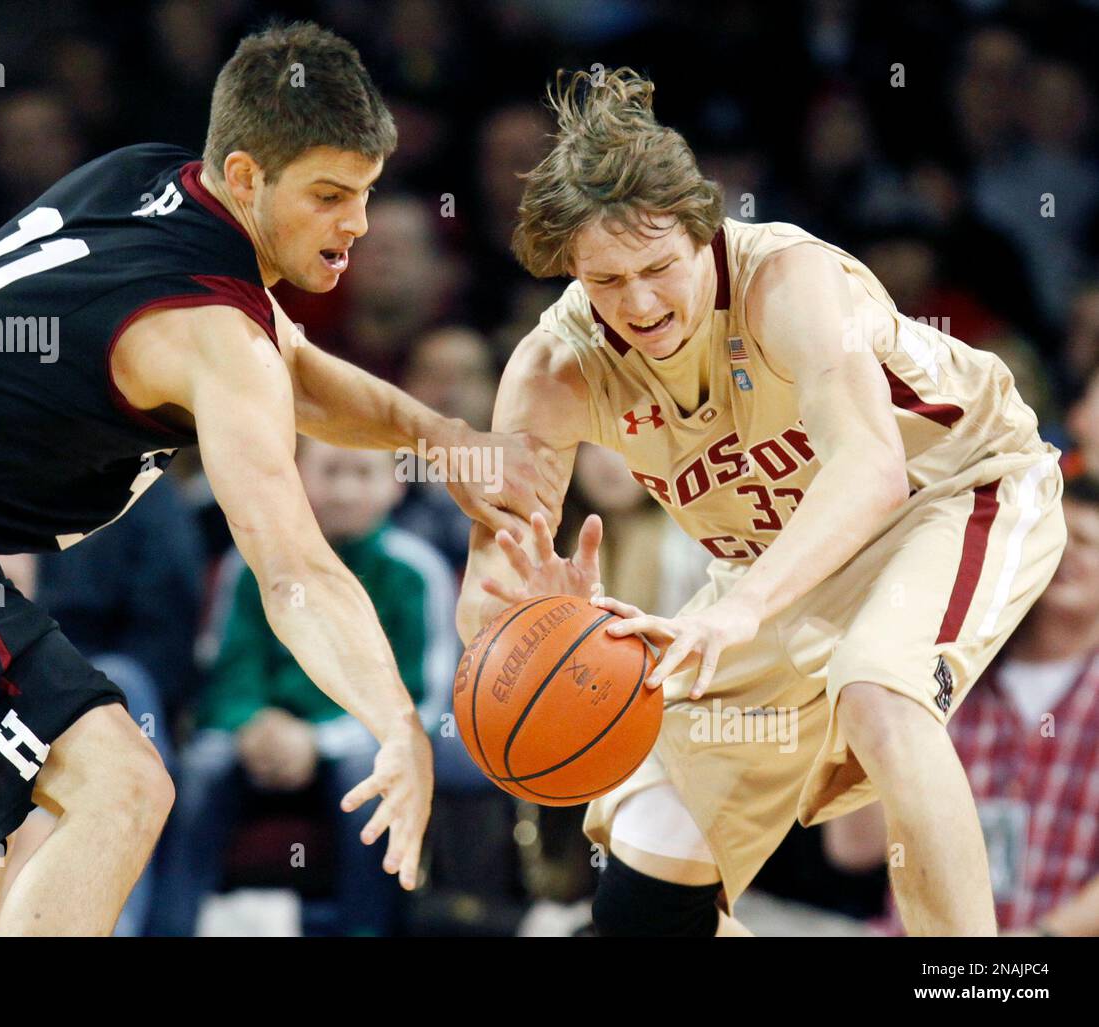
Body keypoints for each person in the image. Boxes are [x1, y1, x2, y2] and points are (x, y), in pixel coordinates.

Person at [0, 21, 557, 937]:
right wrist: (396, 718)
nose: (354, 224)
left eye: (363, 193)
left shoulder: (150, 179)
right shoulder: (208, 331)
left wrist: (441, 438)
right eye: (327, 195)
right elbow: (293, 572)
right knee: (121, 785)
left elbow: (295, 362)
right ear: (246, 176)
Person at [456, 68, 1066, 937]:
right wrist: (513, 615)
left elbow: (870, 470)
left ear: (706, 233)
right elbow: (485, 589)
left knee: (879, 690)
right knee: (643, 889)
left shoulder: (789, 281)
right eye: (605, 281)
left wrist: (736, 612)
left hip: (952, 491)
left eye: (659, 267)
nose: (638, 303)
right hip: (777, 564)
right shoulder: (554, 368)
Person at [152, 438, 457, 936]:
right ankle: (171, 926)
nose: (344, 490)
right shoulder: (252, 562)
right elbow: (228, 671)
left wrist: (318, 742)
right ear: (296, 476)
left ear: (396, 484)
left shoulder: (418, 572)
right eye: (330, 471)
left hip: (357, 742)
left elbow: (424, 701)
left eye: (363, 473)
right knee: (203, 765)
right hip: (261, 737)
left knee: (372, 775)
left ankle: (368, 929)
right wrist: (250, 725)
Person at [825, 475, 1099, 935]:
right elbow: (853, 849)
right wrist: (865, 682)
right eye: (1054, 538)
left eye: (1087, 542)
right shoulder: (941, 671)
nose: (1065, 555)